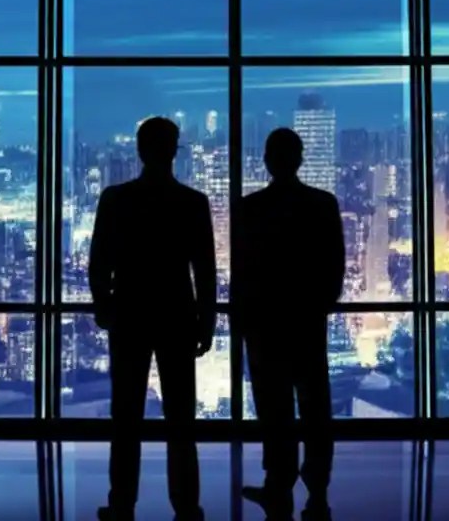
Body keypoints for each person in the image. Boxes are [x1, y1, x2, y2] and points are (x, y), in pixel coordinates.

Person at [89, 117, 217, 521]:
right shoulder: (192, 203)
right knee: (181, 418)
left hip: (129, 313)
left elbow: (98, 263)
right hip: (177, 314)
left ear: (139, 150)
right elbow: (205, 270)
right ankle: (186, 503)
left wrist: (105, 307)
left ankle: (122, 501)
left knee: (125, 415)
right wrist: (207, 320)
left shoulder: (115, 199)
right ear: (174, 150)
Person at [237, 128, 345, 521]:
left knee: (274, 404)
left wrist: (246, 315)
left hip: (265, 322)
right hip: (306, 320)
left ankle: (277, 480)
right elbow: (335, 264)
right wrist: (320, 304)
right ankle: (317, 481)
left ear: (266, 160)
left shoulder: (250, 208)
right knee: (315, 402)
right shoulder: (322, 204)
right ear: (300, 160)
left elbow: (244, 270)